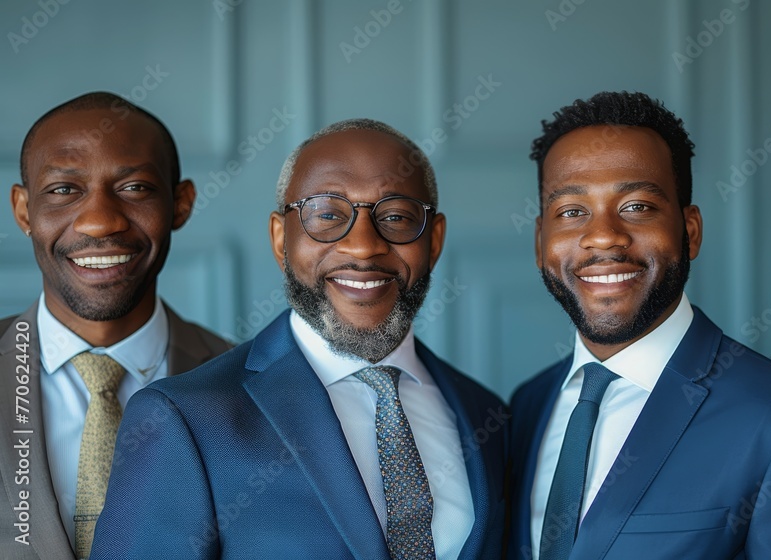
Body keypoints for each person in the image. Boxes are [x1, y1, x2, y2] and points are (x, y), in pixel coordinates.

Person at [91, 119, 507, 560]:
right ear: (280, 239)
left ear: (434, 241)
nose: (363, 246)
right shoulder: (184, 419)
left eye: (396, 217)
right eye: (327, 215)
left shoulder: (487, 415)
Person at [508, 91, 771, 560]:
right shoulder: (528, 406)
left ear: (690, 231)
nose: (603, 236)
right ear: (541, 242)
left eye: (637, 206)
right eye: (572, 212)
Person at [0, 92, 231, 560]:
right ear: (24, 210)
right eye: (64, 190)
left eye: (134, 188)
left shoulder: (245, 387)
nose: (100, 222)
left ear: (180, 204)